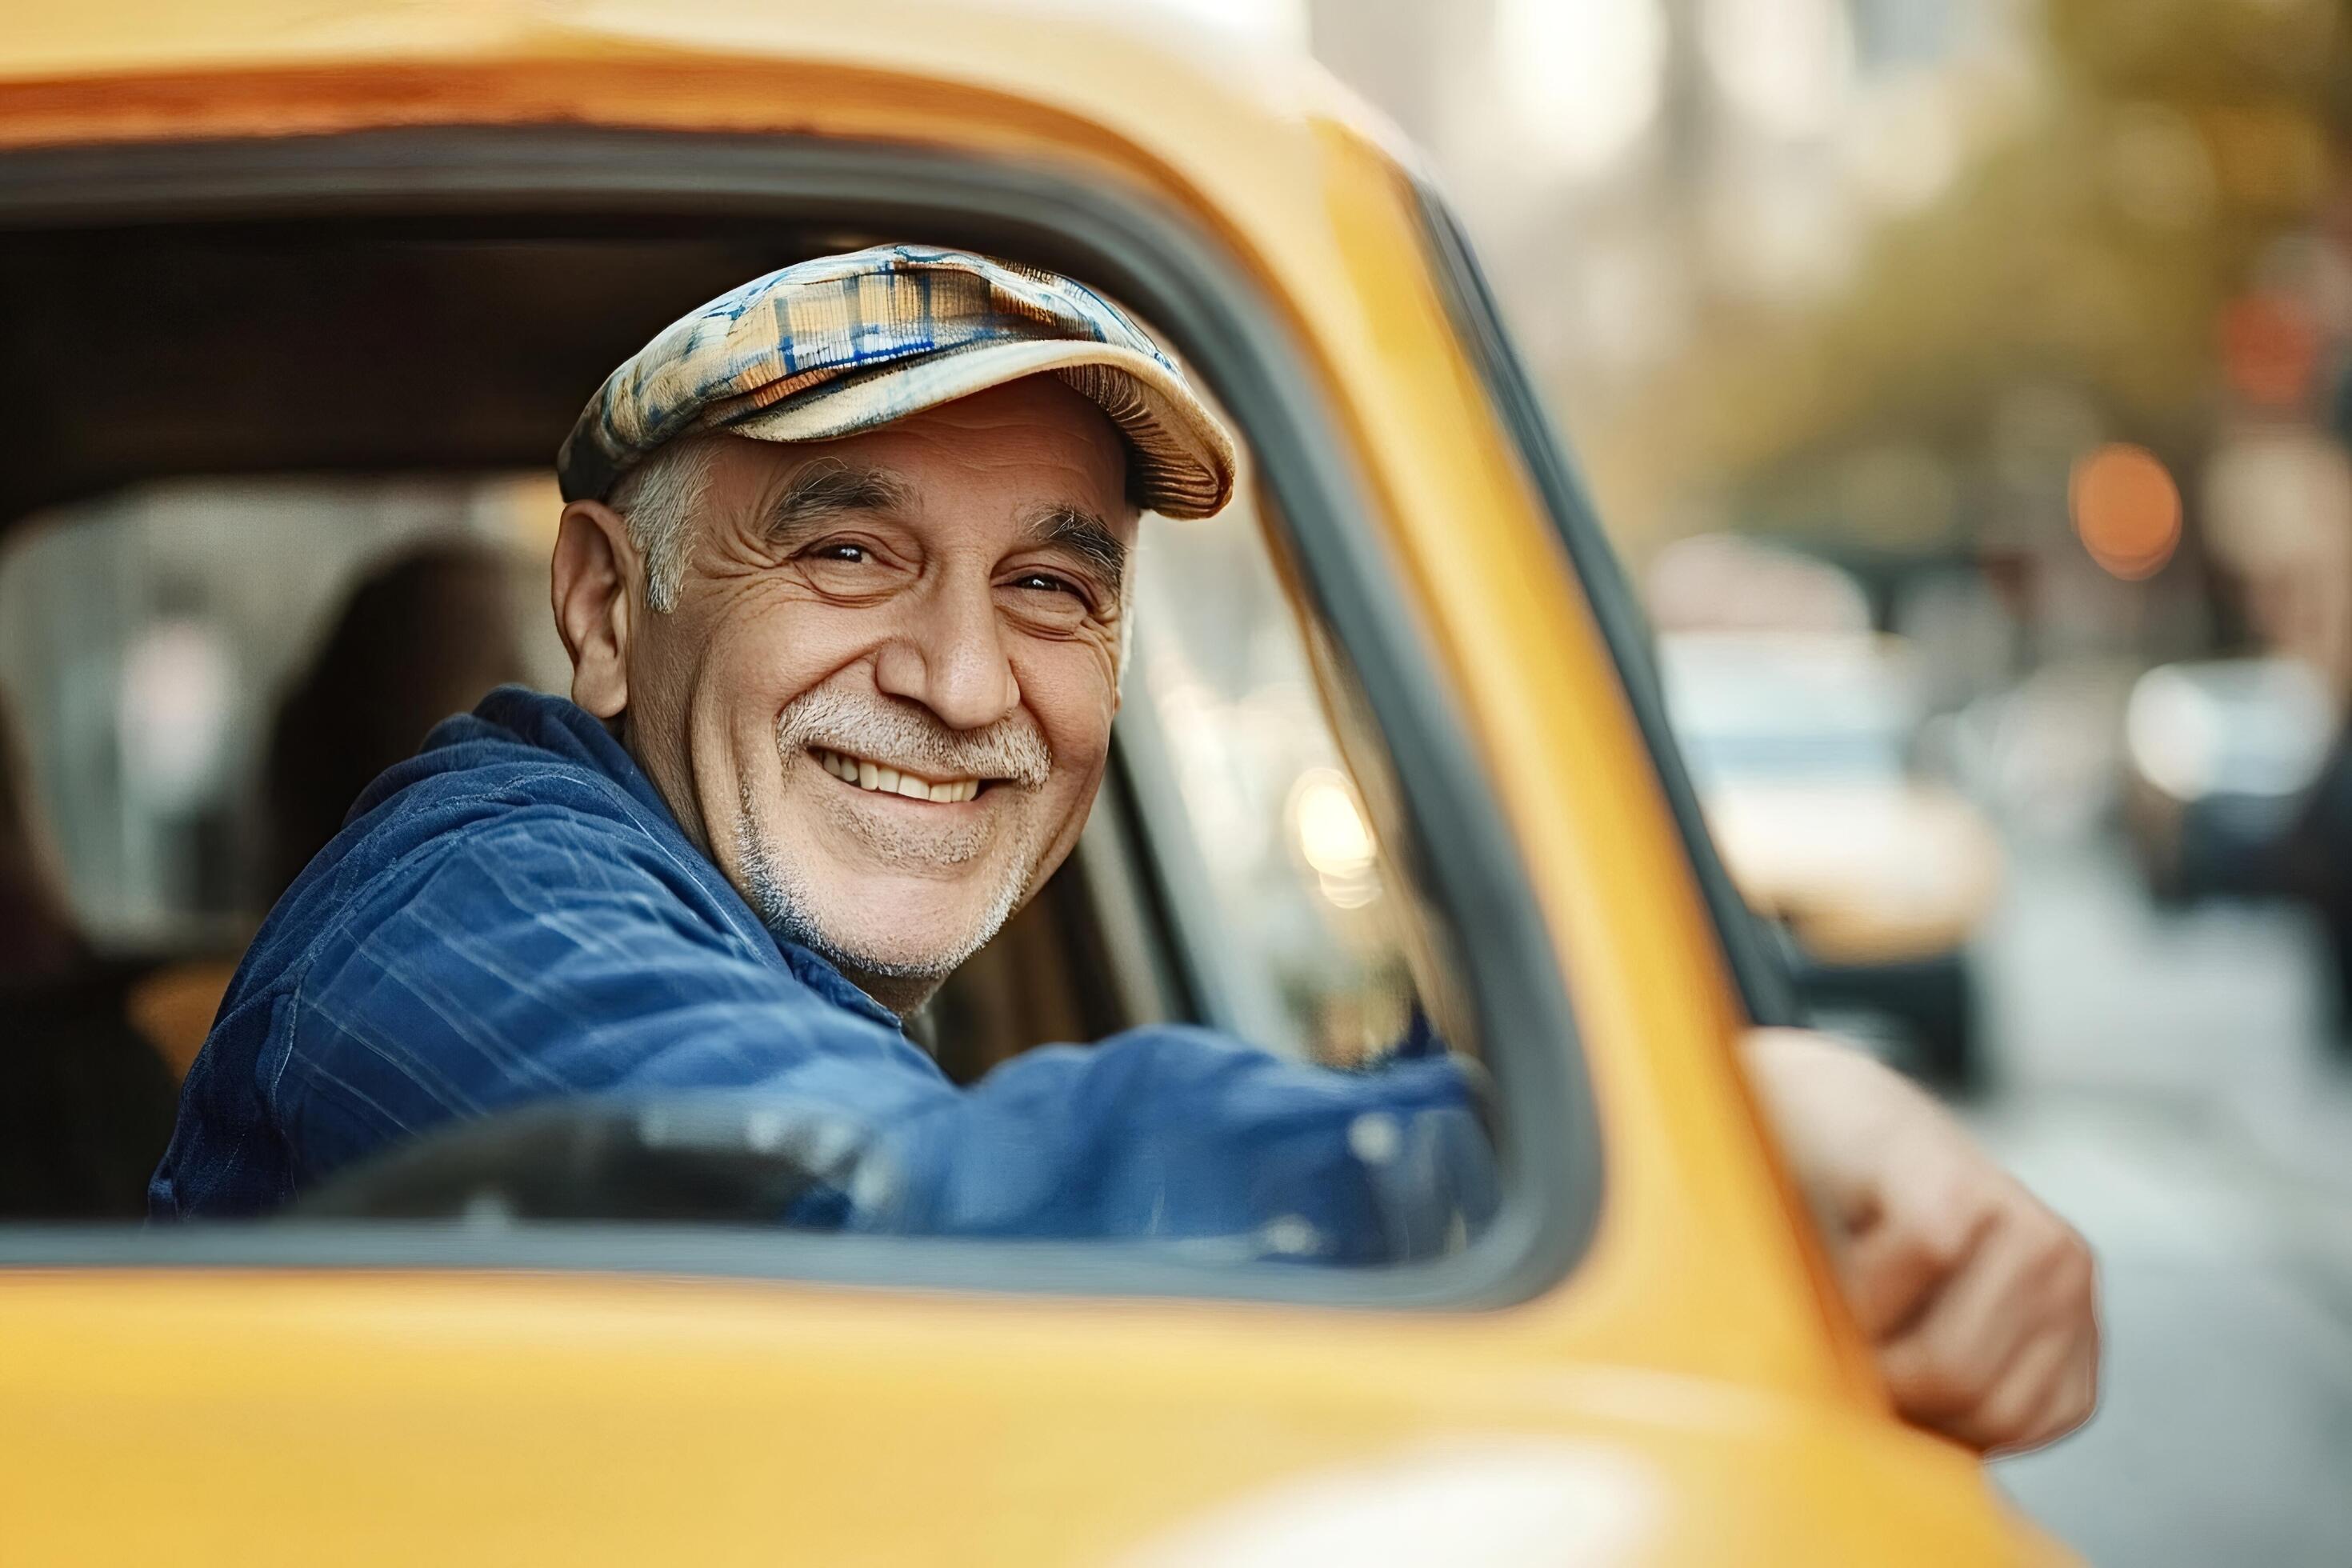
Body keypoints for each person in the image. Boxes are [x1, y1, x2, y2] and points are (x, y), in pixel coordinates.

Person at [151, 244, 2096, 1453]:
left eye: (1054, 586)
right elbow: (852, 1205)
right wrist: (1663, 1156)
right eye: (847, 551)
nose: (962, 677)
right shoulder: (461, 895)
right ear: (602, 605)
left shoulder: (768, 925)